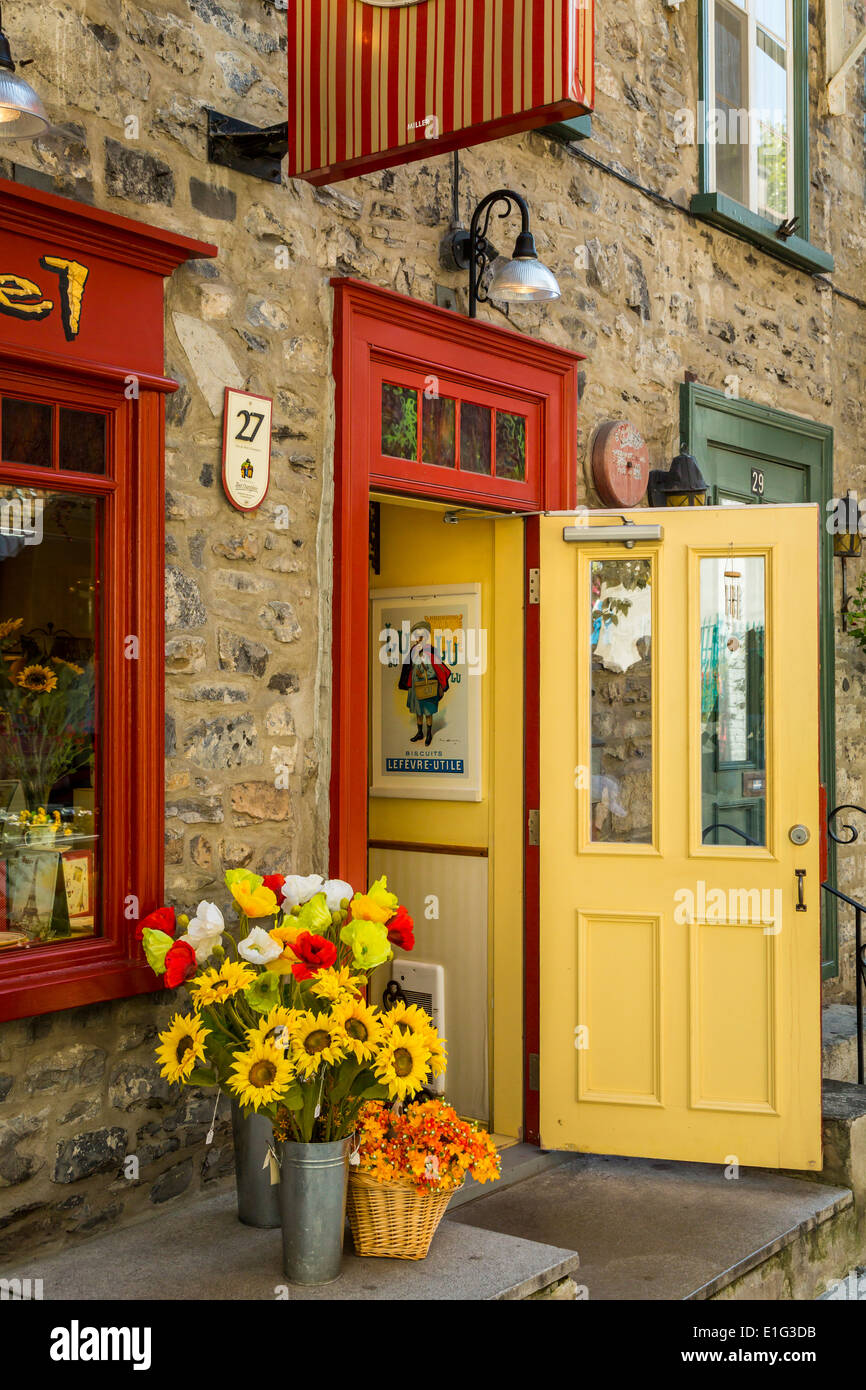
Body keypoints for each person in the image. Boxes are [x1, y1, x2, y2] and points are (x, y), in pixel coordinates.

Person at [398, 620, 451, 748]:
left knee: (428, 712)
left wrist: (427, 673)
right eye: (416, 637)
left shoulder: (432, 650)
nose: (418, 639)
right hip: (416, 687)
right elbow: (408, 667)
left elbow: (438, 669)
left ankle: (428, 734)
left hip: (428, 687)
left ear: (426, 637)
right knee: (418, 712)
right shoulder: (413, 651)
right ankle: (420, 733)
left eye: (421, 636)